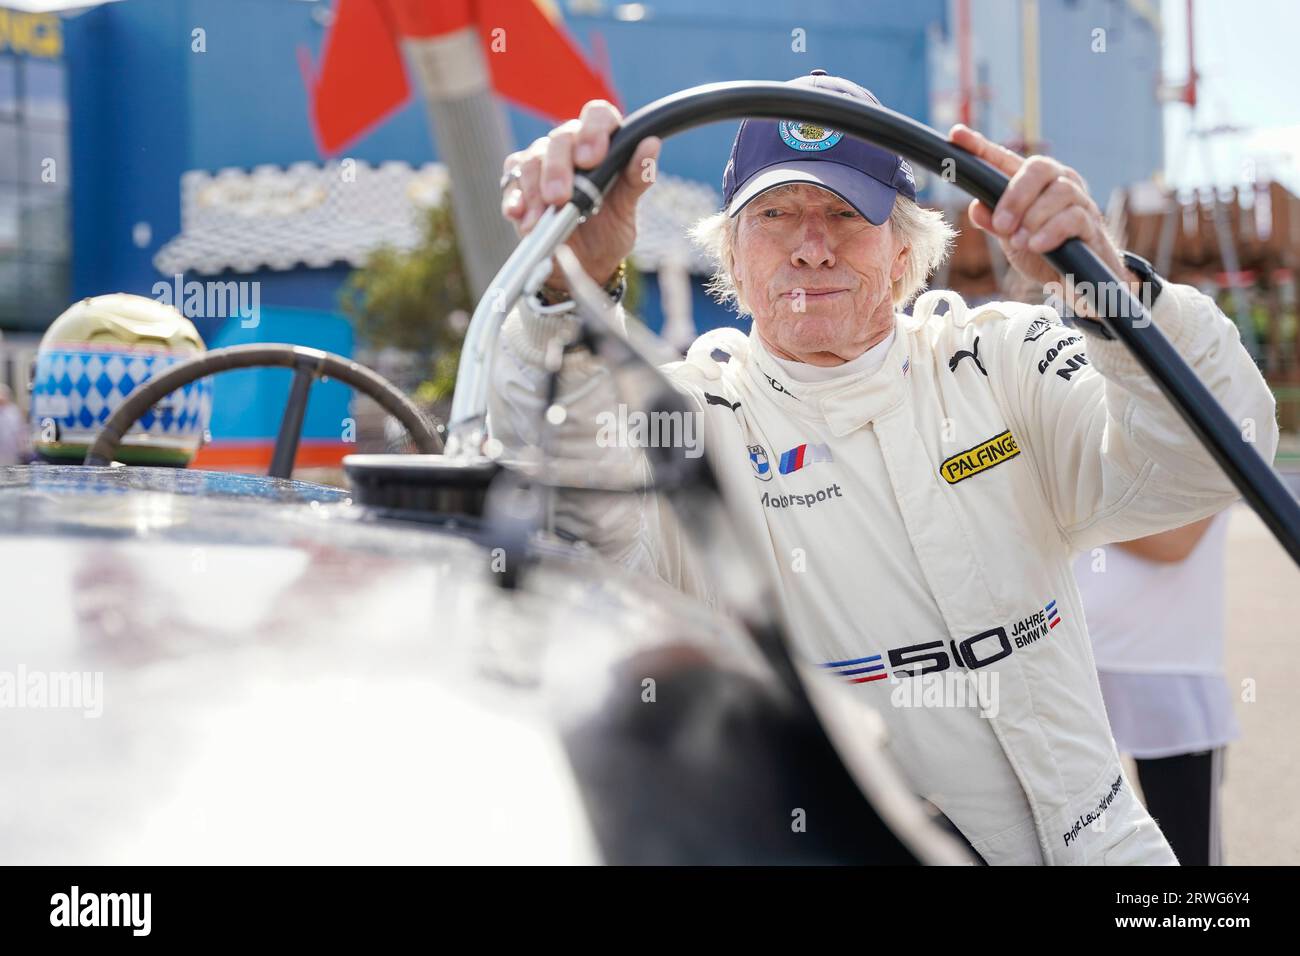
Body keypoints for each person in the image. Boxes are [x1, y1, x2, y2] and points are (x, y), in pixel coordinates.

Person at [489, 71, 1278, 864]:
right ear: (730, 250)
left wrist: (1109, 285)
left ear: (905, 251)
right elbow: (569, 525)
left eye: (844, 212)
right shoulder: (688, 420)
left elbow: (1211, 459)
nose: (810, 244)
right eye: (775, 214)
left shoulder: (998, 358)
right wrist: (564, 291)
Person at [1073, 512, 1238, 865]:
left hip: (1168, 671)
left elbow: (1175, 541)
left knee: (1186, 851)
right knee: (1071, 845)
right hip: (1071, 658)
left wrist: (1064, 512)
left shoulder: (1208, 454)